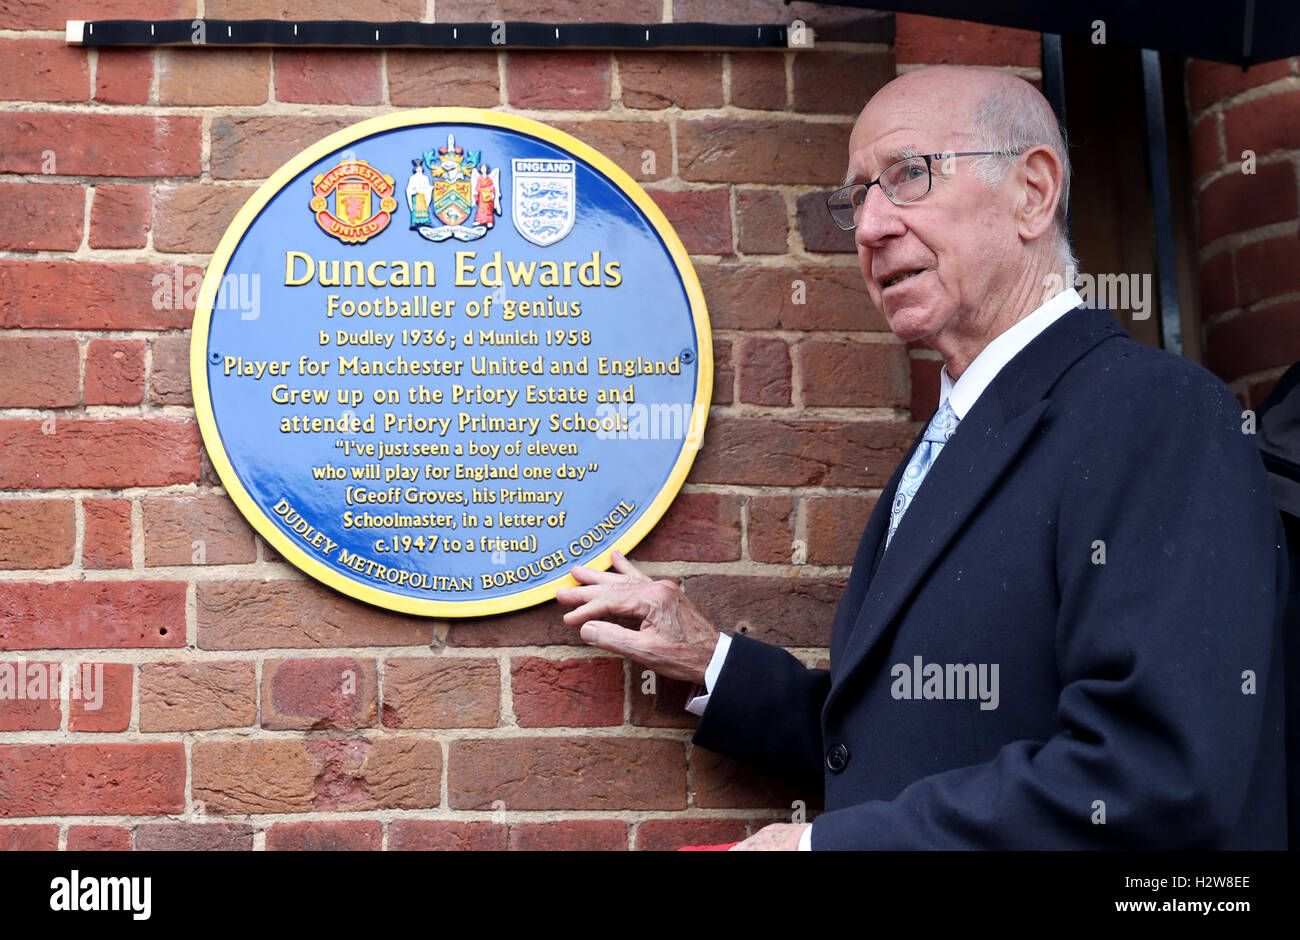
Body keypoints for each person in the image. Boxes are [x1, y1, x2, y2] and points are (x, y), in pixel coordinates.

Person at [556, 65, 1288, 850]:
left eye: (908, 176)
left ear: (1034, 192)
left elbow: (1154, 775)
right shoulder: (955, 436)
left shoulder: (1157, 413)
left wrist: (823, 849)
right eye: (858, 195)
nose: (869, 227)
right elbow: (904, 743)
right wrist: (713, 662)